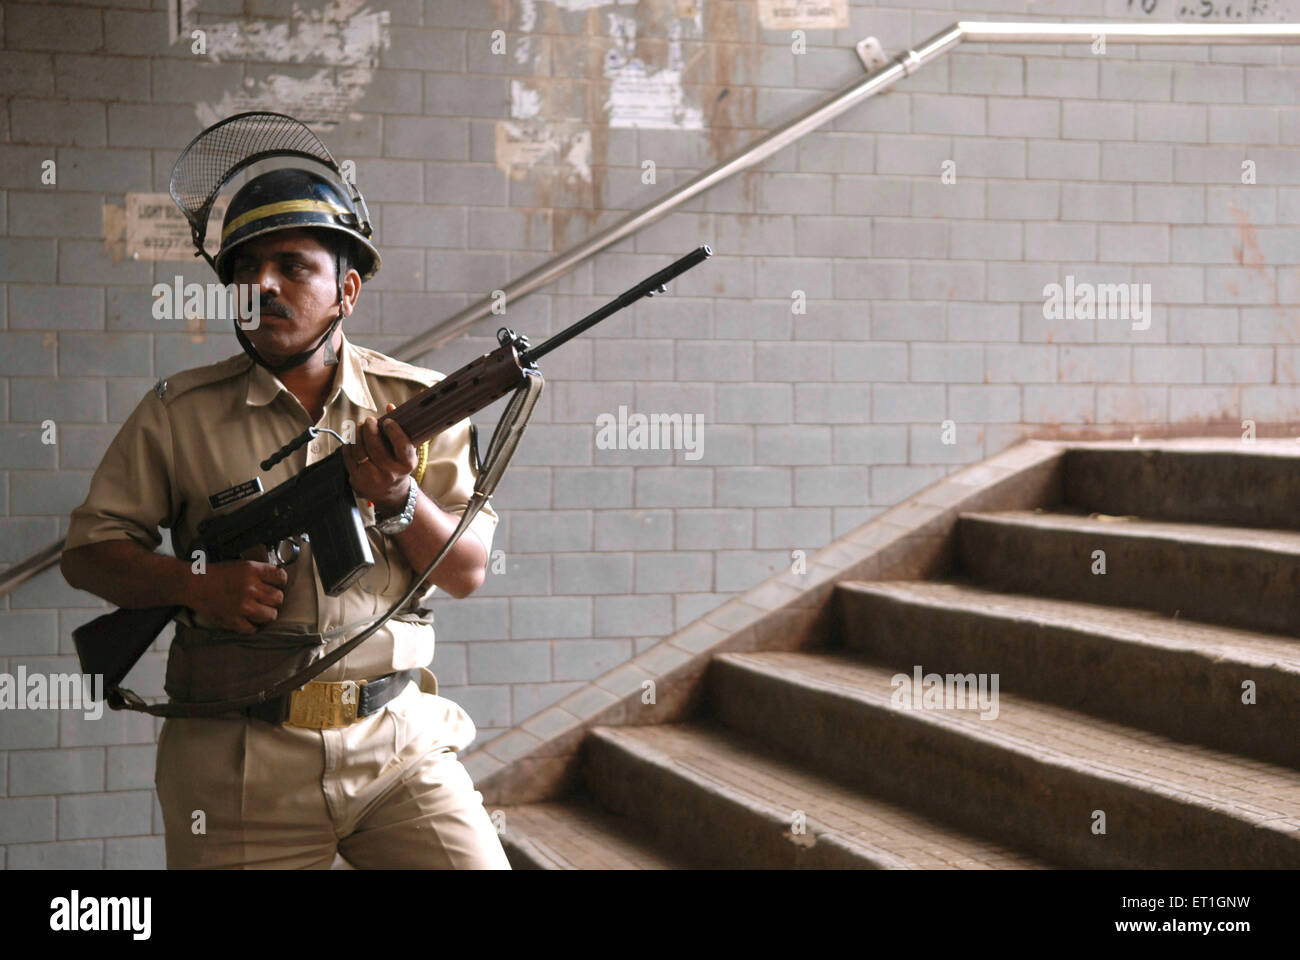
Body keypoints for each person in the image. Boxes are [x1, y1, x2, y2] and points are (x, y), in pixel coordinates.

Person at [59, 161, 511, 869]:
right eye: (246, 270)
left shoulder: (418, 406)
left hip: (395, 745)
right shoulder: (179, 413)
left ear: (347, 290)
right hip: (236, 762)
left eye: (292, 267)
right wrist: (196, 586)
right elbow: (87, 554)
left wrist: (396, 496)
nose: (262, 285)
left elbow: (467, 572)